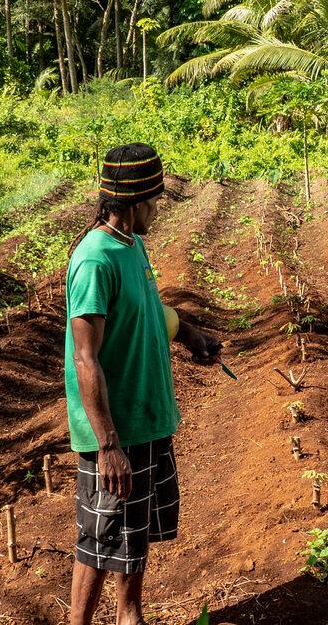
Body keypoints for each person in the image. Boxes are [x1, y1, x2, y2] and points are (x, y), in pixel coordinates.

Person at [65, 143, 221, 625]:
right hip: (117, 429)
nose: (159, 206)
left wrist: (189, 332)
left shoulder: (132, 245)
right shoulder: (95, 260)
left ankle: (129, 615)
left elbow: (146, 311)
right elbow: (86, 358)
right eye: (155, 198)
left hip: (147, 419)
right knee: (101, 535)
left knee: (134, 529)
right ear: (134, 201)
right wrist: (108, 445)